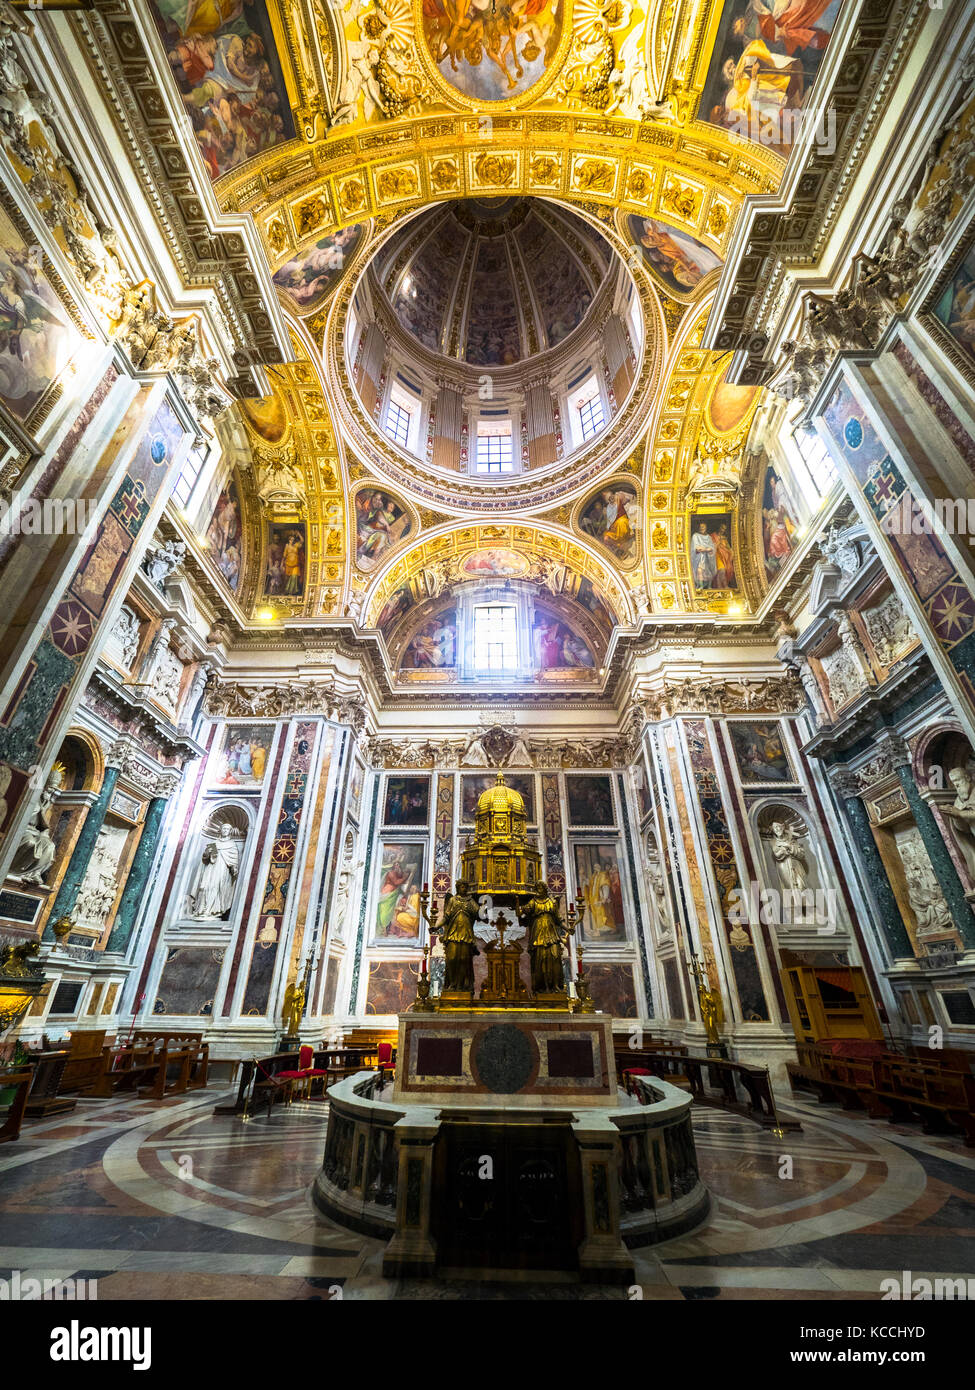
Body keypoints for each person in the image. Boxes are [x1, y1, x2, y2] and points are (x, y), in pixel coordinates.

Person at [521, 881, 567, 994]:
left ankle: (556, 986)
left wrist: (567, 929)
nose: (538, 890)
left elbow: (558, 920)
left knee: (555, 957)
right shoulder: (533, 902)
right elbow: (522, 915)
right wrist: (518, 904)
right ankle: (540, 988)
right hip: (538, 935)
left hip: (551, 935)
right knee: (539, 959)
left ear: (545, 889)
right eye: (537, 888)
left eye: (541, 888)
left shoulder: (552, 903)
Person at [437, 879, 479, 993]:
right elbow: (446, 917)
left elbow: (480, 914)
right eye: (462, 887)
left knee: (463, 960)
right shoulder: (452, 900)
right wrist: (436, 926)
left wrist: (487, 901)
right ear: (458, 888)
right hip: (453, 934)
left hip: (466, 934)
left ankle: (461, 985)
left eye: (465, 887)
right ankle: (452, 984)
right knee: (451, 959)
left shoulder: (470, 901)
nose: (464, 889)